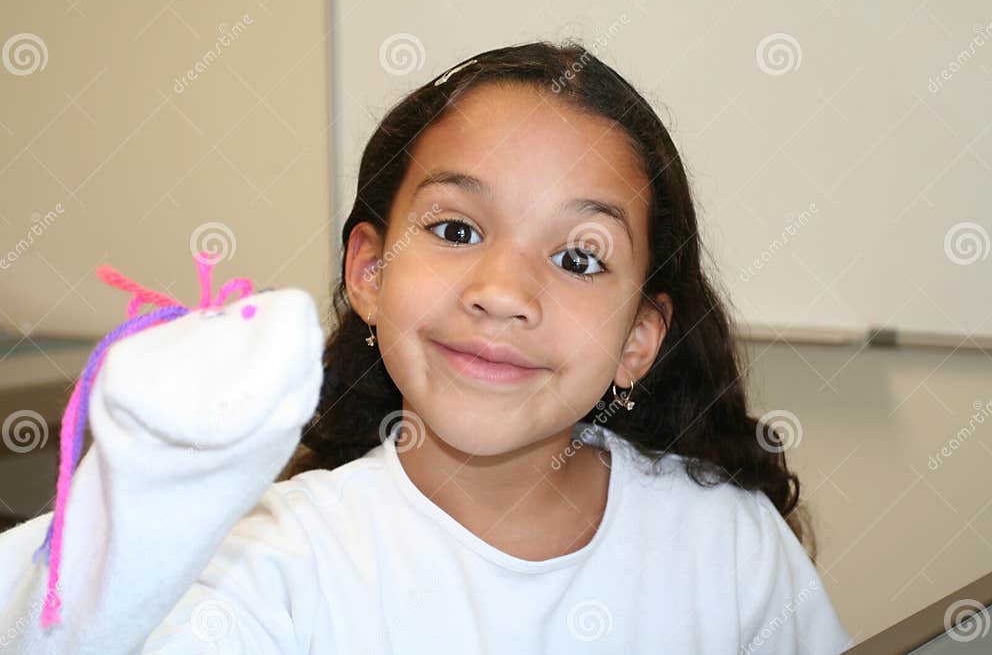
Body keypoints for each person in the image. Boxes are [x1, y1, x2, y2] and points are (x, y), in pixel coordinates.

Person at [0, 40, 853, 654]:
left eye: (577, 257)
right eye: (454, 228)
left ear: (637, 340)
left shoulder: (727, 543)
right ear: (369, 272)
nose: (504, 292)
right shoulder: (273, 559)